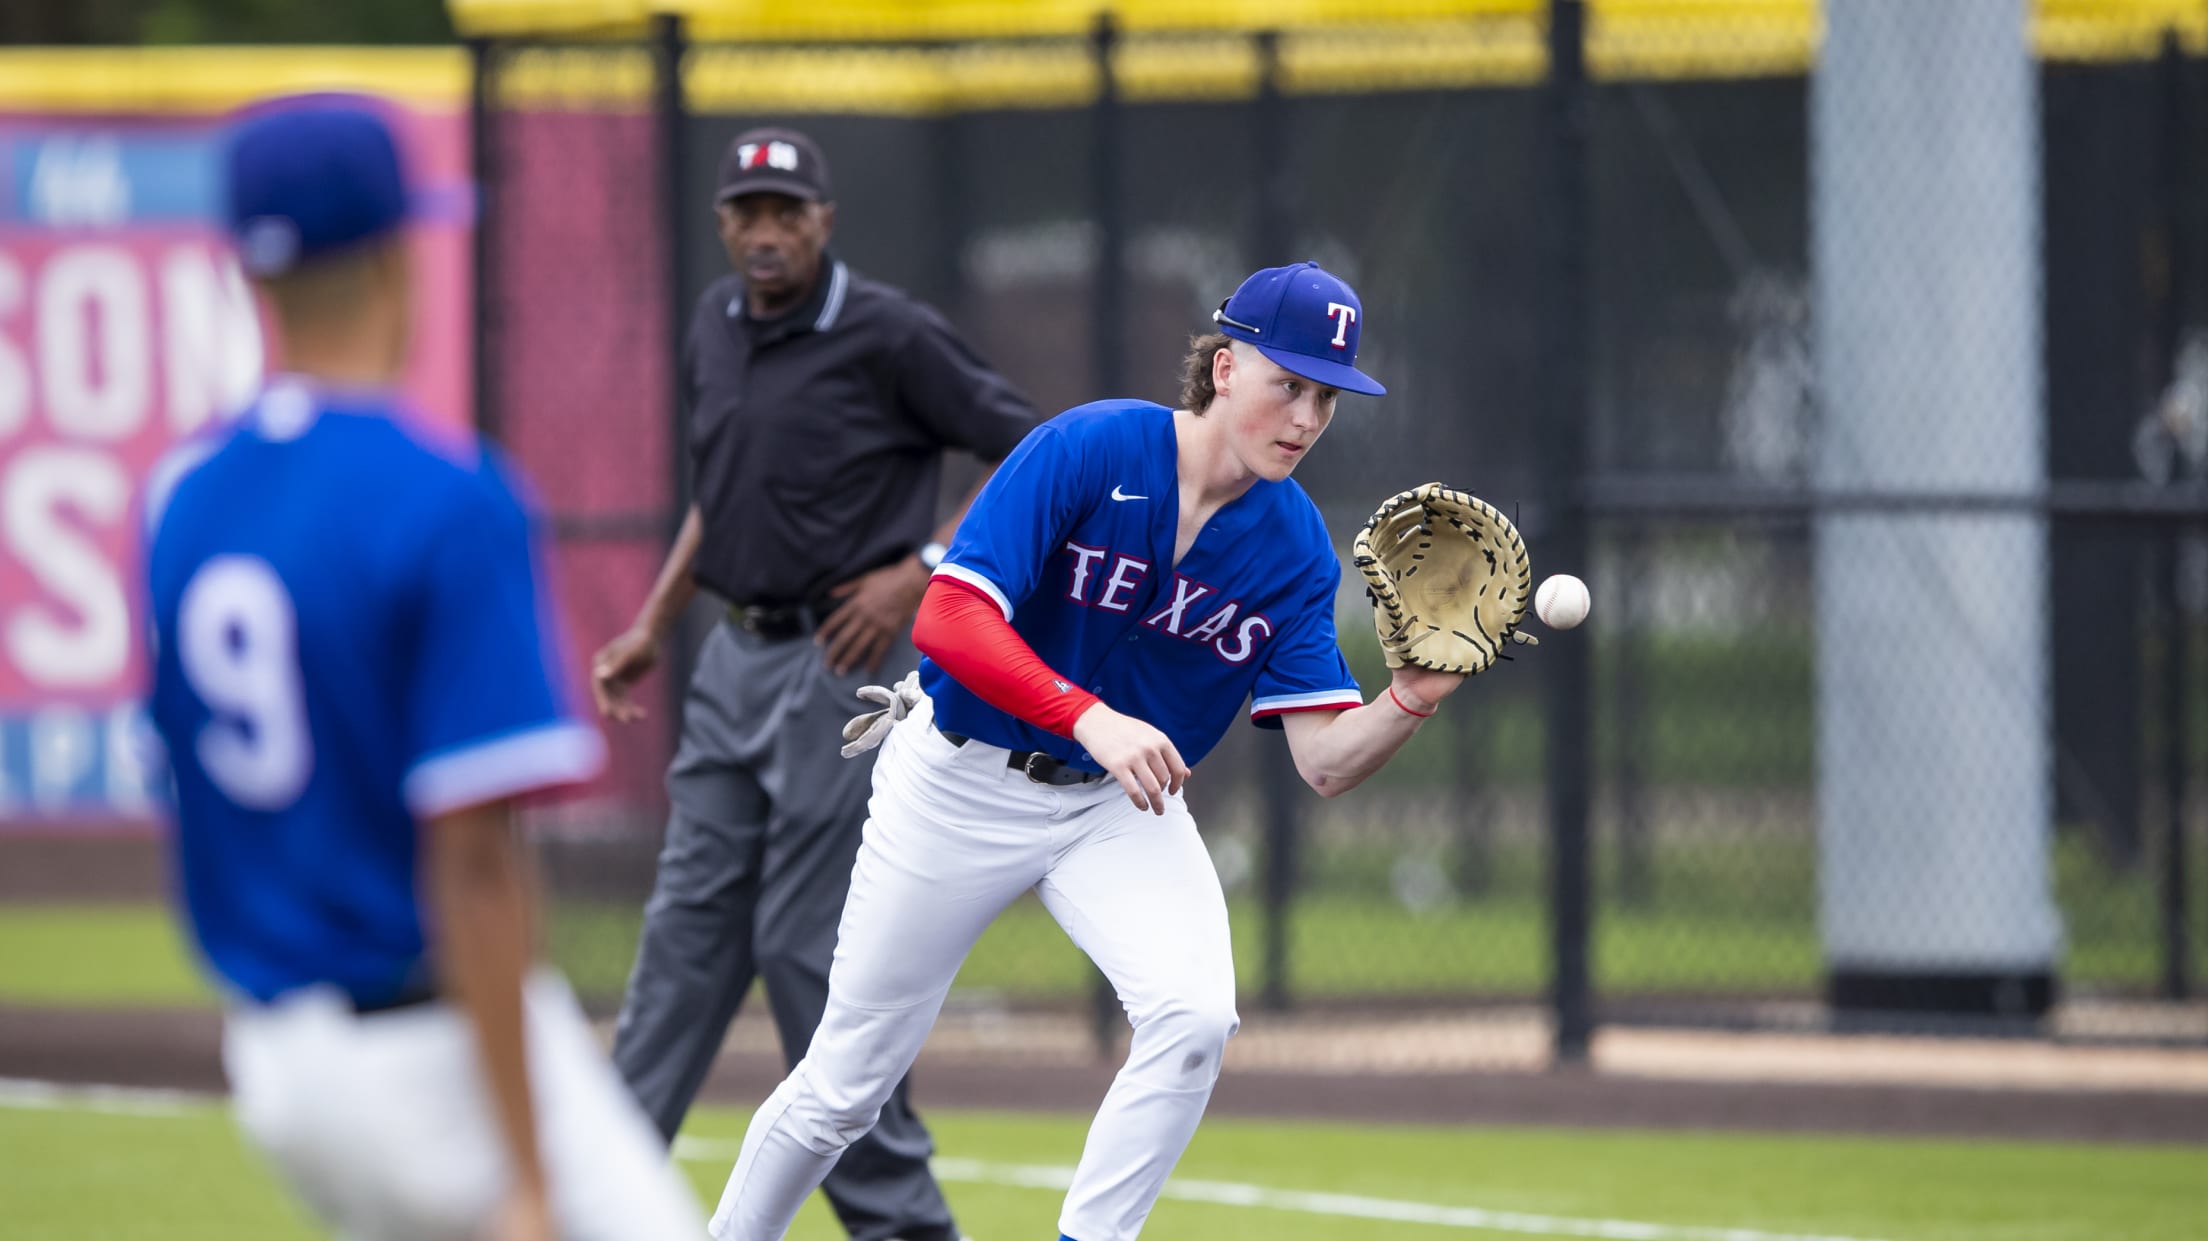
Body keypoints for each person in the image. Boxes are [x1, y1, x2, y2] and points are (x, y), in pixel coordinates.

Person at [707, 260, 1471, 1241]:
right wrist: (1086, 715)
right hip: (958, 783)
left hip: (1117, 809)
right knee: (845, 1086)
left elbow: (1322, 761)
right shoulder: (1089, 446)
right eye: (1290, 382)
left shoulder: (1293, 549)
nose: (1307, 415)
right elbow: (947, 617)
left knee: (1194, 1017)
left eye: (1327, 396)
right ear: (1226, 365)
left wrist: (1410, 696)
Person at [141, 99, 703, 1241]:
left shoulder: (183, 503)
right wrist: (530, 1173)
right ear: (402, 255)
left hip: (277, 1061)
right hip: (426, 1045)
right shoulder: (444, 498)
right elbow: (475, 860)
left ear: (252, 276)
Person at [591, 126, 1038, 1241]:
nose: (766, 231)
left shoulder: (887, 334)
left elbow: (1039, 456)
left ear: (825, 222)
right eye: (748, 211)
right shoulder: (715, 325)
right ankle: (587, 1206)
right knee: (680, 949)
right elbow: (721, 492)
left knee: (806, 952)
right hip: (731, 659)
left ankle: (904, 1226)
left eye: (787, 211)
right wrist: (654, 620)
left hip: (851, 667)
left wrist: (923, 572)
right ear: (724, 224)